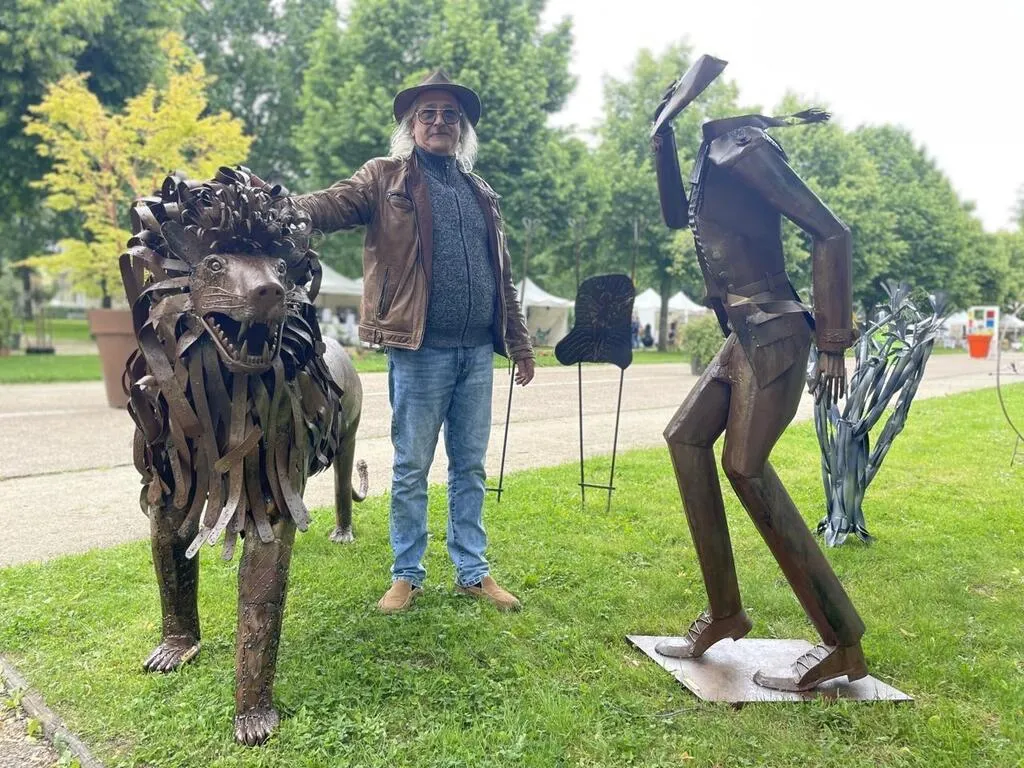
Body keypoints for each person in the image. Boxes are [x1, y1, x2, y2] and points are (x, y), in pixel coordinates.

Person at [650, 54, 866, 691]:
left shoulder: (741, 149)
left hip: (773, 330)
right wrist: (657, 140)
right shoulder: (705, 158)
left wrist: (833, 342)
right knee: (686, 439)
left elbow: (831, 233)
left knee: (745, 468)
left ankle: (843, 642)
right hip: (740, 335)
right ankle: (724, 612)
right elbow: (671, 215)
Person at [289, 69, 535, 614]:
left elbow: (502, 275)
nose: (440, 123)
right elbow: (334, 203)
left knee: (470, 467)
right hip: (419, 350)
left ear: (462, 127)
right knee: (411, 468)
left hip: (475, 355)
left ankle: (473, 571)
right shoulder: (384, 179)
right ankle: (407, 574)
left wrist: (518, 342)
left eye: (450, 115)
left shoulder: (480, 193)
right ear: (411, 124)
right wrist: (282, 207)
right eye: (428, 114)